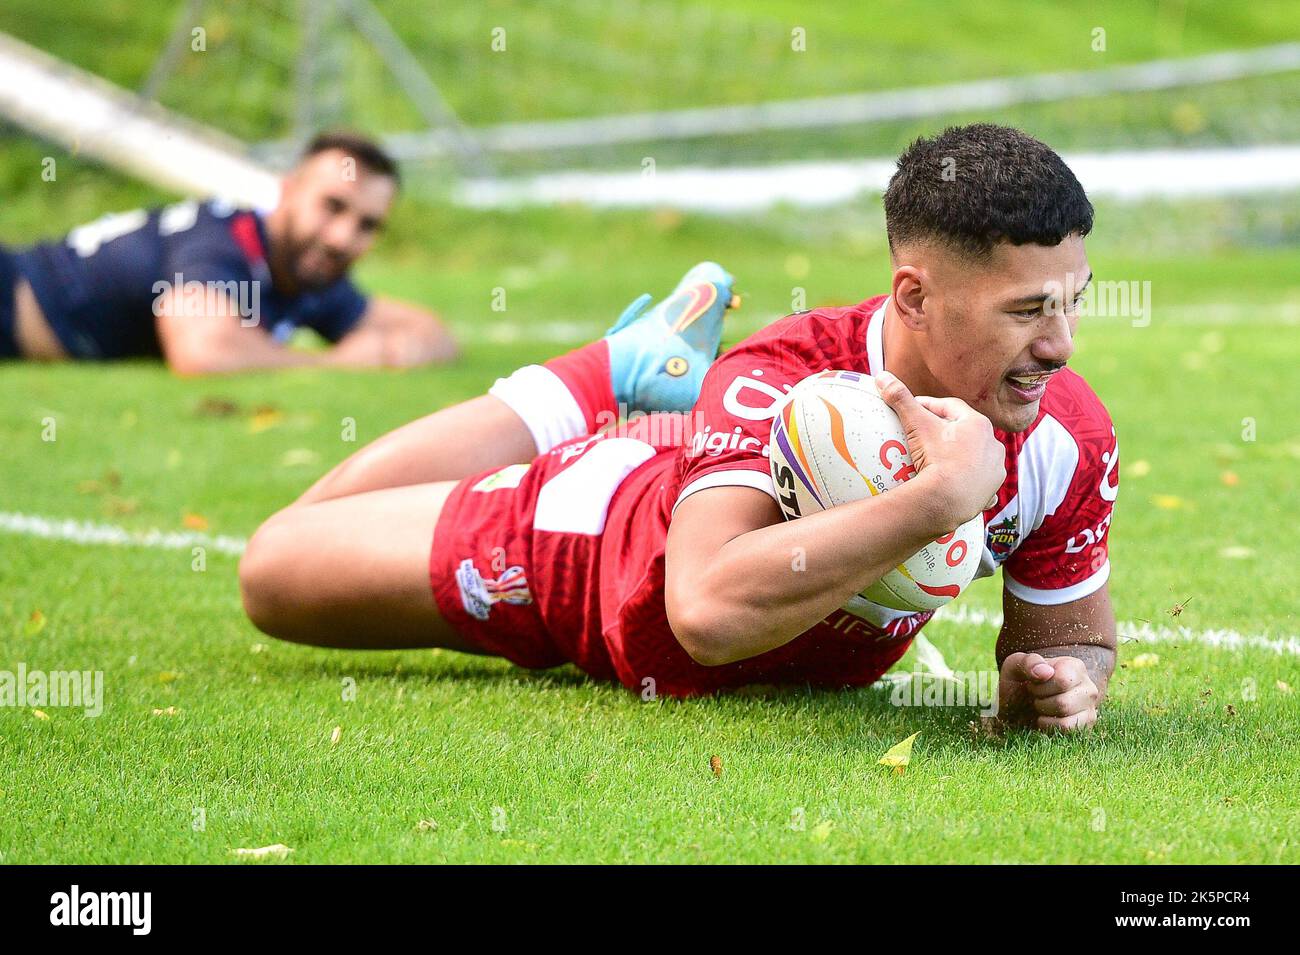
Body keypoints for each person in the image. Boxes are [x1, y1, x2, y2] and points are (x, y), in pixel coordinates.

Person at [239, 124, 1118, 733]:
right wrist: (935, 501)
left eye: (1072, 302)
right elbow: (702, 611)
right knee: (275, 567)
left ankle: (645, 381)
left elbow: (1074, 636)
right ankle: (615, 368)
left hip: (685, 469)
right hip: (586, 549)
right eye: (1029, 310)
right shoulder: (778, 377)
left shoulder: (1064, 437)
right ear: (914, 299)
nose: (1061, 344)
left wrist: (1065, 683)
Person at [0, 131, 457, 373]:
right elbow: (203, 352)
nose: (341, 237)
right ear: (287, 192)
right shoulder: (222, 241)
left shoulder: (307, 274)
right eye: (332, 207)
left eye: (367, 225)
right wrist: (340, 363)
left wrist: (400, 349)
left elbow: (430, 331)